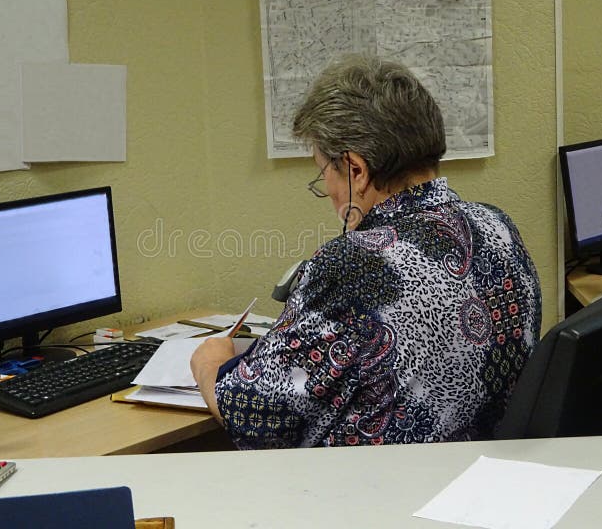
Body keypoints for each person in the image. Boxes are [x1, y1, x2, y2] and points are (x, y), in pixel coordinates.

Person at [191, 54, 541, 449]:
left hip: (374, 496)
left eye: (325, 174)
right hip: (478, 482)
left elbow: (257, 415)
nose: (330, 194)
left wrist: (210, 364)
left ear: (356, 169)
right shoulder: (497, 227)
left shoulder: (351, 265)